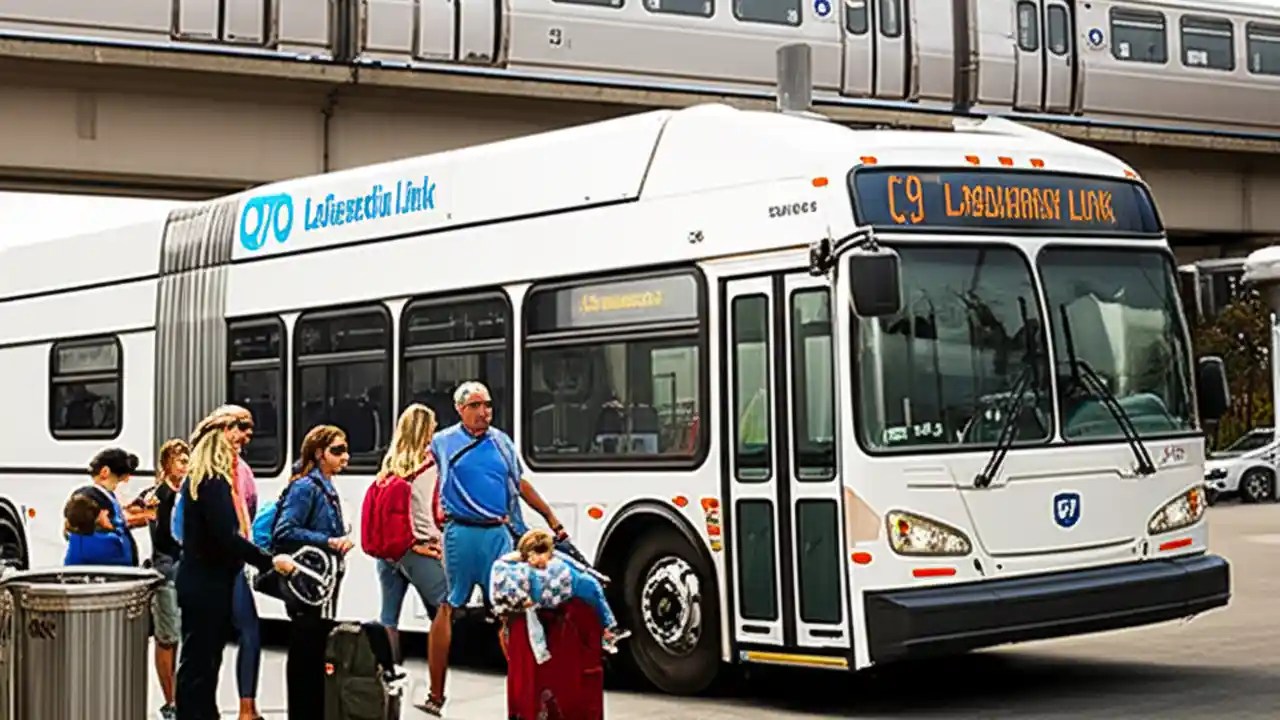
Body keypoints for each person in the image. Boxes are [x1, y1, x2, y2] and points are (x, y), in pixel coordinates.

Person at [421, 381, 566, 717]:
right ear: (459, 409)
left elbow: (519, 483)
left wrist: (549, 517)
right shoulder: (442, 442)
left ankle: (529, 693)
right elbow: (422, 475)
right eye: (475, 405)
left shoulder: (501, 442)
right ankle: (435, 694)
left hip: (497, 535)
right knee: (449, 606)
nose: (483, 411)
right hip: (460, 534)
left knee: (509, 610)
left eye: (487, 404)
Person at [175, 418, 296, 720]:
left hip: (199, 580)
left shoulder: (197, 481)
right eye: (234, 441)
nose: (239, 449)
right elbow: (227, 538)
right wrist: (269, 561)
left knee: (200, 658)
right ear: (218, 443)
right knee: (202, 659)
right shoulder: (213, 483)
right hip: (208, 582)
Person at [274, 425, 353, 720]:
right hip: (307, 585)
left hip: (319, 585)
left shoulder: (324, 486)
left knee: (315, 648)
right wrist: (329, 540)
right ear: (319, 454)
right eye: (337, 450)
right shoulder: (306, 487)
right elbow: (286, 529)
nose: (345, 456)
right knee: (306, 648)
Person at [361, 404, 448, 672]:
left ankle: (388, 673)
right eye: (432, 425)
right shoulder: (431, 466)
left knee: (389, 615)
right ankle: (437, 678)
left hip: (389, 552)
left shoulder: (390, 467)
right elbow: (433, 512)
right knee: (444, 608)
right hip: (417, 549)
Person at [199, 404, 264, 720]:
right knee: (211, 641)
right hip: (213, 568)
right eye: (239, 427)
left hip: (233, 564)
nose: (246, 434)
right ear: (221, 430)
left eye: (249, 429)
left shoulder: (242, 471)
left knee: (247, 631)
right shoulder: (204, 475)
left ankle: (246, 708)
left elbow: (250, 510)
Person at [492, 529, 629, 656]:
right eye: (533, 556)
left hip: (570, 590)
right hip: (551, 601)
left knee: (592, 588)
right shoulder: (516, 567)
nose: (538, 560)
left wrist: (596, 576)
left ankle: (608, 630)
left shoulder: (557, 561)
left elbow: (578, 566)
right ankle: (607, 631)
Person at [149, 438, 189, 720]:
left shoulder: (184, 494)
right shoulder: (160, 496)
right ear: (166, 465)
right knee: (167, 636)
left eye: (188, 461)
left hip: (183, 568)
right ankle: (170, 700)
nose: (185, 467)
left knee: (180, 634)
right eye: (180, 461)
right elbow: (164, 535)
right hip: (167, 569)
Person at [71, 447, 141, 566]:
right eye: (118, 481)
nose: (123, 484)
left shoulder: (107, 497)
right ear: (105, 472)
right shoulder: (91, 496)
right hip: (100, 569)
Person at [63, 491, 132, 566]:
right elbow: (129, 554)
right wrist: (113, 528)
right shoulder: (111, 541)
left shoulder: (74, 540)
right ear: (97, 518)